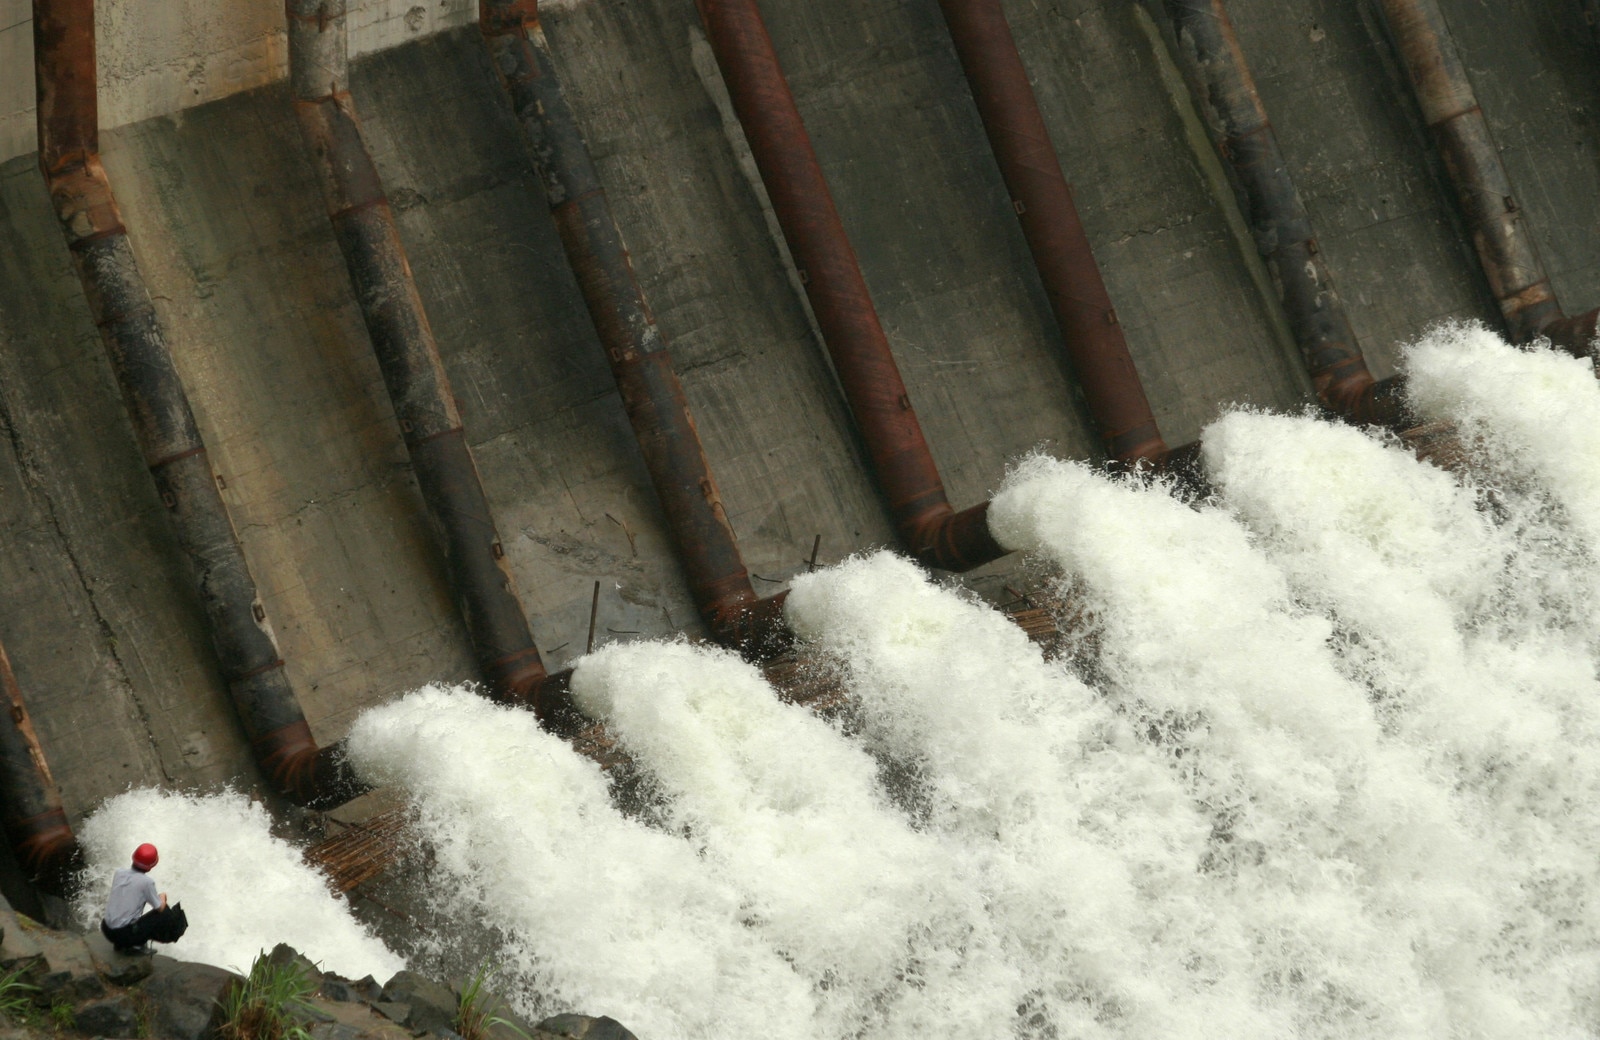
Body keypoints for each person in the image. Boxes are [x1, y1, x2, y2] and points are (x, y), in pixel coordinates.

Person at [100, 843, 186, 953]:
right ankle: (136, 944)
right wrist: (163, 896)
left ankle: (123, 944)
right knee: (165, 913)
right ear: (151, 866)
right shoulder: (146, 882)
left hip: (107, 929)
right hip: (122, 935)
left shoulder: (119, 873)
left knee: (131, 915)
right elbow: (160, 907)